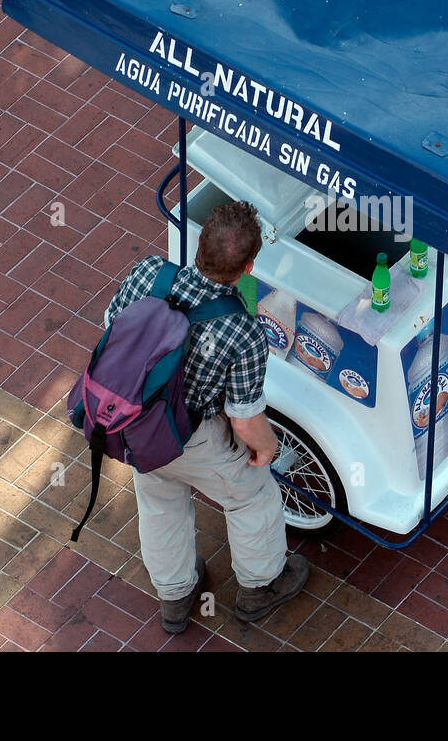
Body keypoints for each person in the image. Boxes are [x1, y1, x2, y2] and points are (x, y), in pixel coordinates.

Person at [103, 200, 309, 633]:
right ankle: (261, 585)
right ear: (249, 267)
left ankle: (175, 596)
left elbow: (110, 331)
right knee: (252, 495)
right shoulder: (242, 330)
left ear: (199, 245)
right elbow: (243, 419)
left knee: (159, 499)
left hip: (135, 427)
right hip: (195, 436)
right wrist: (267, 449)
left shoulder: (147, 273)